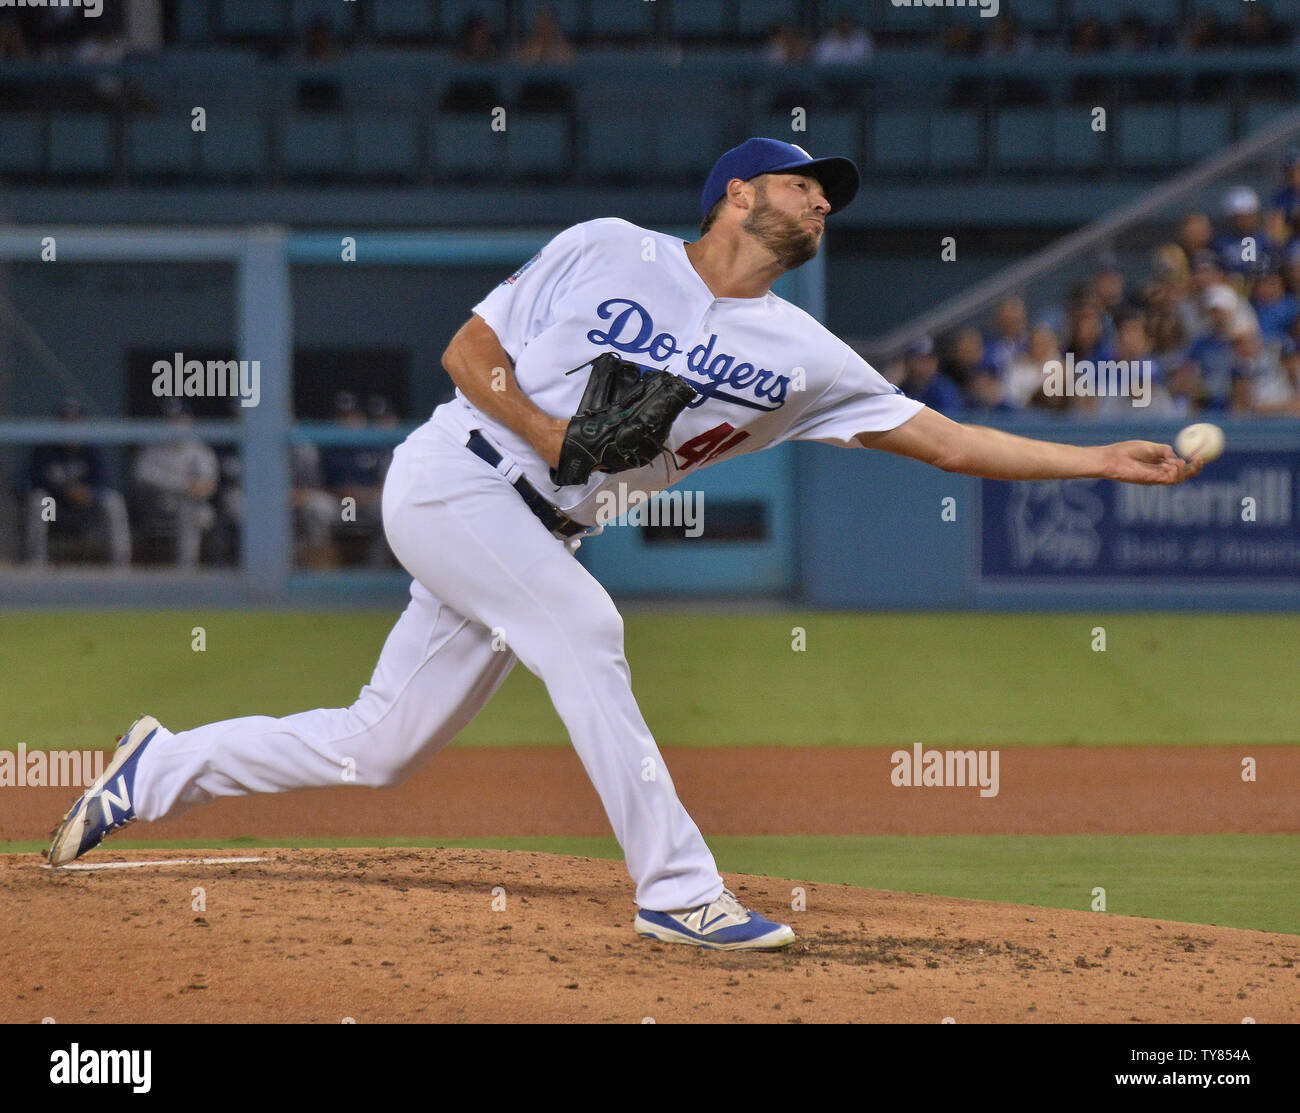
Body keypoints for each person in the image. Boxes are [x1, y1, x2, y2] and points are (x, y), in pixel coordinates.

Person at [47, 138, 1202, 952]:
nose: (823, 204)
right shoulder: (609, 249)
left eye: (829, 196)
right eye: (805, 184)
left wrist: (1100, 461)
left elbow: (944, 441)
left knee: (381, 748)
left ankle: (159, 769)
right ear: (737, 192)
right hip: (456, 478)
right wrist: (558, 431)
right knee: (587, 630)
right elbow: (464, 355)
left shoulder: (804, 355)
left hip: (539, 528)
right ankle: (678, 893)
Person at [23, 397, 131, 568]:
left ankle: (121, 562)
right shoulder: (45, 448)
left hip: (85, 507)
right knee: (39, 501)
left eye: (75, 421)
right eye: (65, 421)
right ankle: (37, 561)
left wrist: (88, 491)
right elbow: (33, 481)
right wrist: (65, 490)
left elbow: (103, 480)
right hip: (55, 509)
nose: (70, 427)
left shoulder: (91, 448)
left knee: (113, 500)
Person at [132, 400, 219, 569]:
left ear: (189, 420)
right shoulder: (152, 448)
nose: (175, 425)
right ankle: (186, 570)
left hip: (196, 508)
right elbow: (143, 475)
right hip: (159, 506)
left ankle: (188, 568)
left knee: (191, 509)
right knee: (187, 507)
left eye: (180, 419)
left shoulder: (199, 450)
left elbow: (208, 484)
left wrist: (196, 488)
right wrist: (184, 486)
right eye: (171, 419)